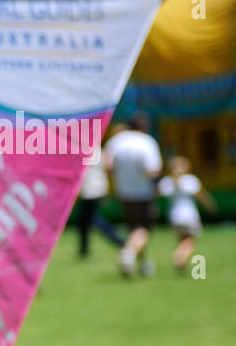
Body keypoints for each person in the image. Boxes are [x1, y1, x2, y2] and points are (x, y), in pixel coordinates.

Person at [104, 113, 162, 276]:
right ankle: (128, 254)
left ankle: (143, 264)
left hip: (124, 192)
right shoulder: (147, 142)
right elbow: (152, 171)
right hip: (143, 192)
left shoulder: (116, 141)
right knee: (143, 230)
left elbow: (107, 165)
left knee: (134, 229)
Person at [157, 155, 217, 273]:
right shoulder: (190, 180)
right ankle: (180, 257)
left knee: (181, 239)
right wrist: (210, 206)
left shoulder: (167, 181)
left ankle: (182, 264)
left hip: (174, 215)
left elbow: (157, 194)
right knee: (190, 242)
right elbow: (202, 195)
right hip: (189, 215)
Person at [76, 135, 123, 258]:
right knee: (84, 222)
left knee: (93, 220)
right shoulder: (98, 150)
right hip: (96, 188)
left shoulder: (86, 151)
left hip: (91, 190)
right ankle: (83, 250)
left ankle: (118, 239)